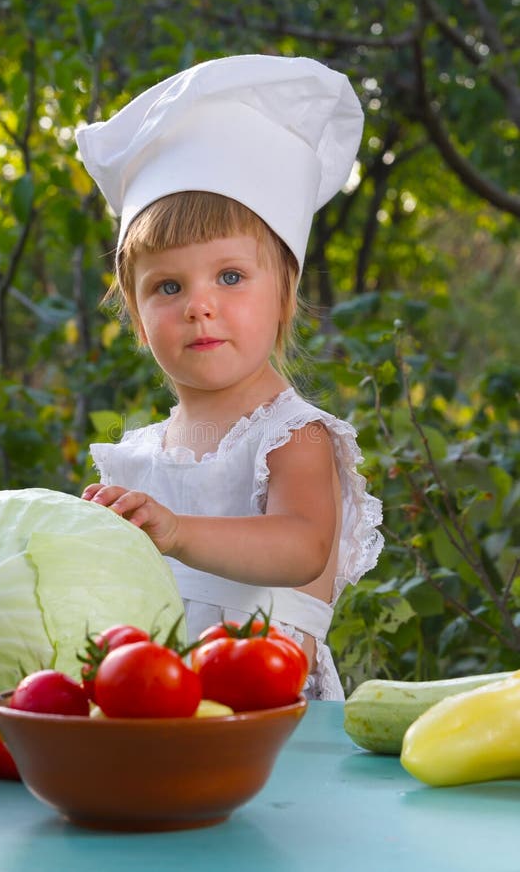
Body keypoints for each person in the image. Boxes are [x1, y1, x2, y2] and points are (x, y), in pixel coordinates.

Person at [75, 54, 384, 699]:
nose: (199, 304)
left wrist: (179, 531)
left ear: (285, 294)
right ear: (136, 316)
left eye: (231, 276)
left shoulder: (293, 436)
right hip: (149, 703)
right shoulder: (135, 457)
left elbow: (302, 545)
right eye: (167, 285)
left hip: (264, 712)